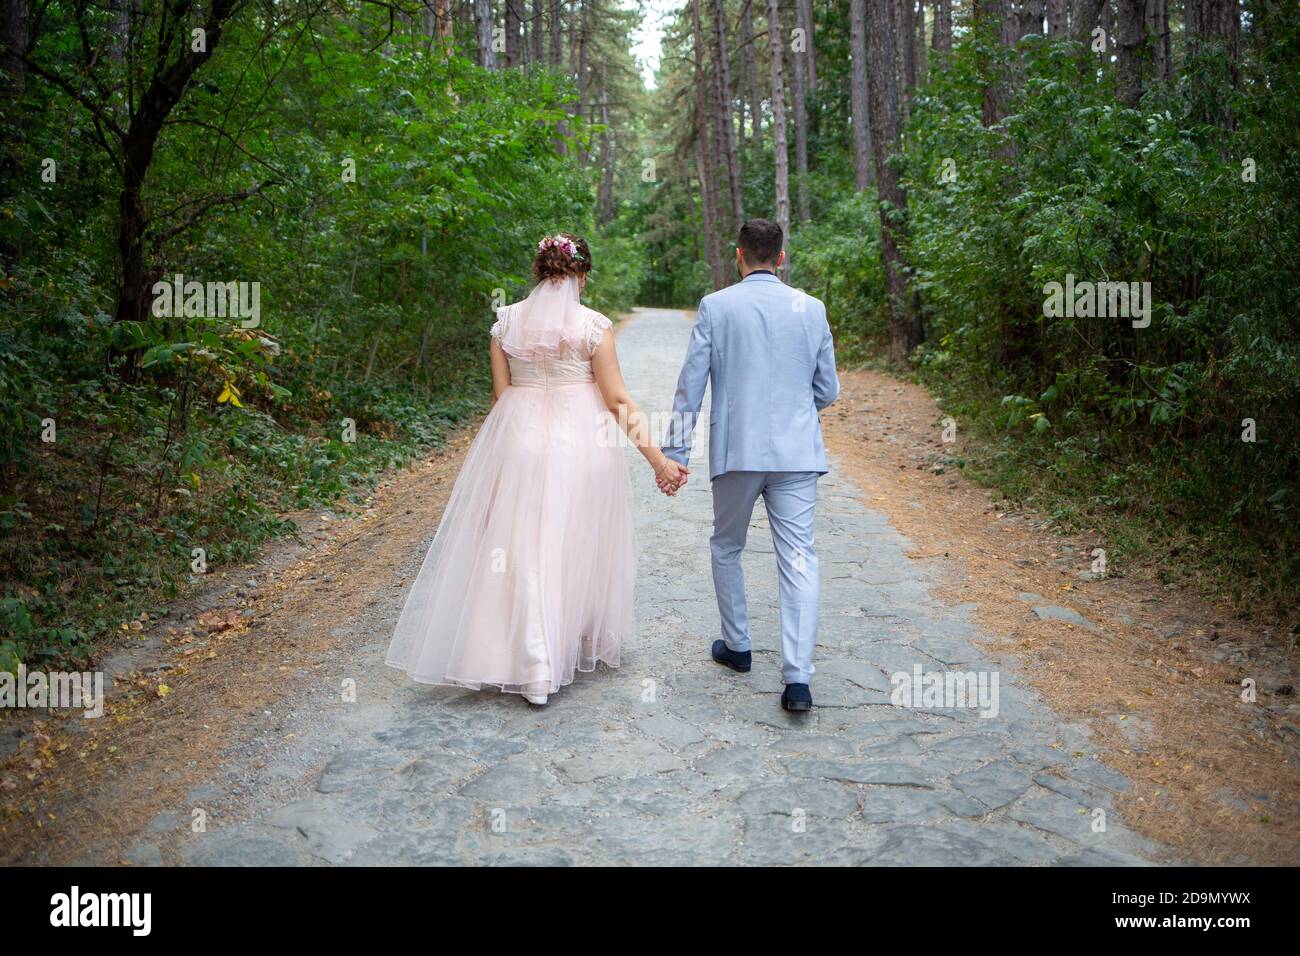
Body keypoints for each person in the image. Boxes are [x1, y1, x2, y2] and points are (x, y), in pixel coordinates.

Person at [385, 233, 686, 706]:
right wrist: (659, 461)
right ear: (581, 277)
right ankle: (549, 658)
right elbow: (618, 401)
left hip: (520, 440)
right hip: (578, 443)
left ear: (539, 273)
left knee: (519, 545)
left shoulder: (505, 324)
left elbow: (502, 396)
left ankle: (521, 656)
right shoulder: (593, 326)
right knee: (569, 540)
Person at [660, 219, 840, 712]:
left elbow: (689, 387)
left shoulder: (716, 307)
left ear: (738, 256)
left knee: (726, 545)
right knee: (799, 557)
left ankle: (738, 647)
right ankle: (798, 679)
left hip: (736, 452)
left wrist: (674, 456)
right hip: (797, 452)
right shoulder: (812, 308)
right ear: (781, 257)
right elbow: (828, 389)